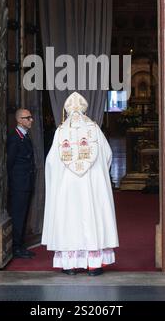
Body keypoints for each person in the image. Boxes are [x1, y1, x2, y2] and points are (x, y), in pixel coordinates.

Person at [41, 92, 119, 275]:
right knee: (92, 218)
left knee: (69, 220)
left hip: (67, 187)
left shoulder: (61, 131)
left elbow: (51, 162)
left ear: (67, 111)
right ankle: (93, 265)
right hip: (91, 185)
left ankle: (70, 266)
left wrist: (56, 180)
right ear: (84, 110)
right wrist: (99, 173)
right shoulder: (94, 128)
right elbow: (107, 155)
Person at [7, 108, 36, 259]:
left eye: (31, 117)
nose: (31, 120)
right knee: (18, 216)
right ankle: (16, 247)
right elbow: (10, 163)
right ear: (19, 120)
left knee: (23, 216)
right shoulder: (14, 138)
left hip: (26, 183)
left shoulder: (25, 136)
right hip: (19, 185)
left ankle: (20, 245)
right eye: (27, 118)